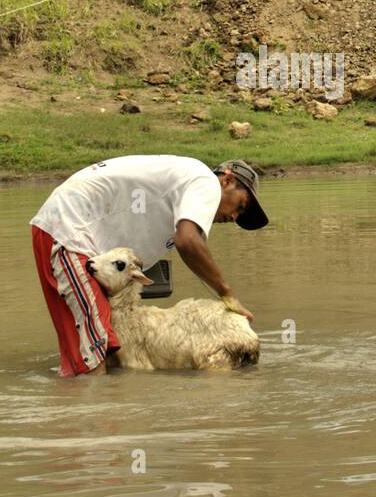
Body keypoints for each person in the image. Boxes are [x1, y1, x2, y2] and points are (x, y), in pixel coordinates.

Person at [29, 156, 268, 377]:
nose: (235, 217)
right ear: (227, 179)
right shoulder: (205, 180)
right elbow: (188, 242)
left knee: (88, 350)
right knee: (96, 349)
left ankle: (84, 411)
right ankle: (97, 415)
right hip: (70, 229)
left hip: (68, 227)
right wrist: (228, 296)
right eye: (241, 205)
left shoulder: (180, 182)